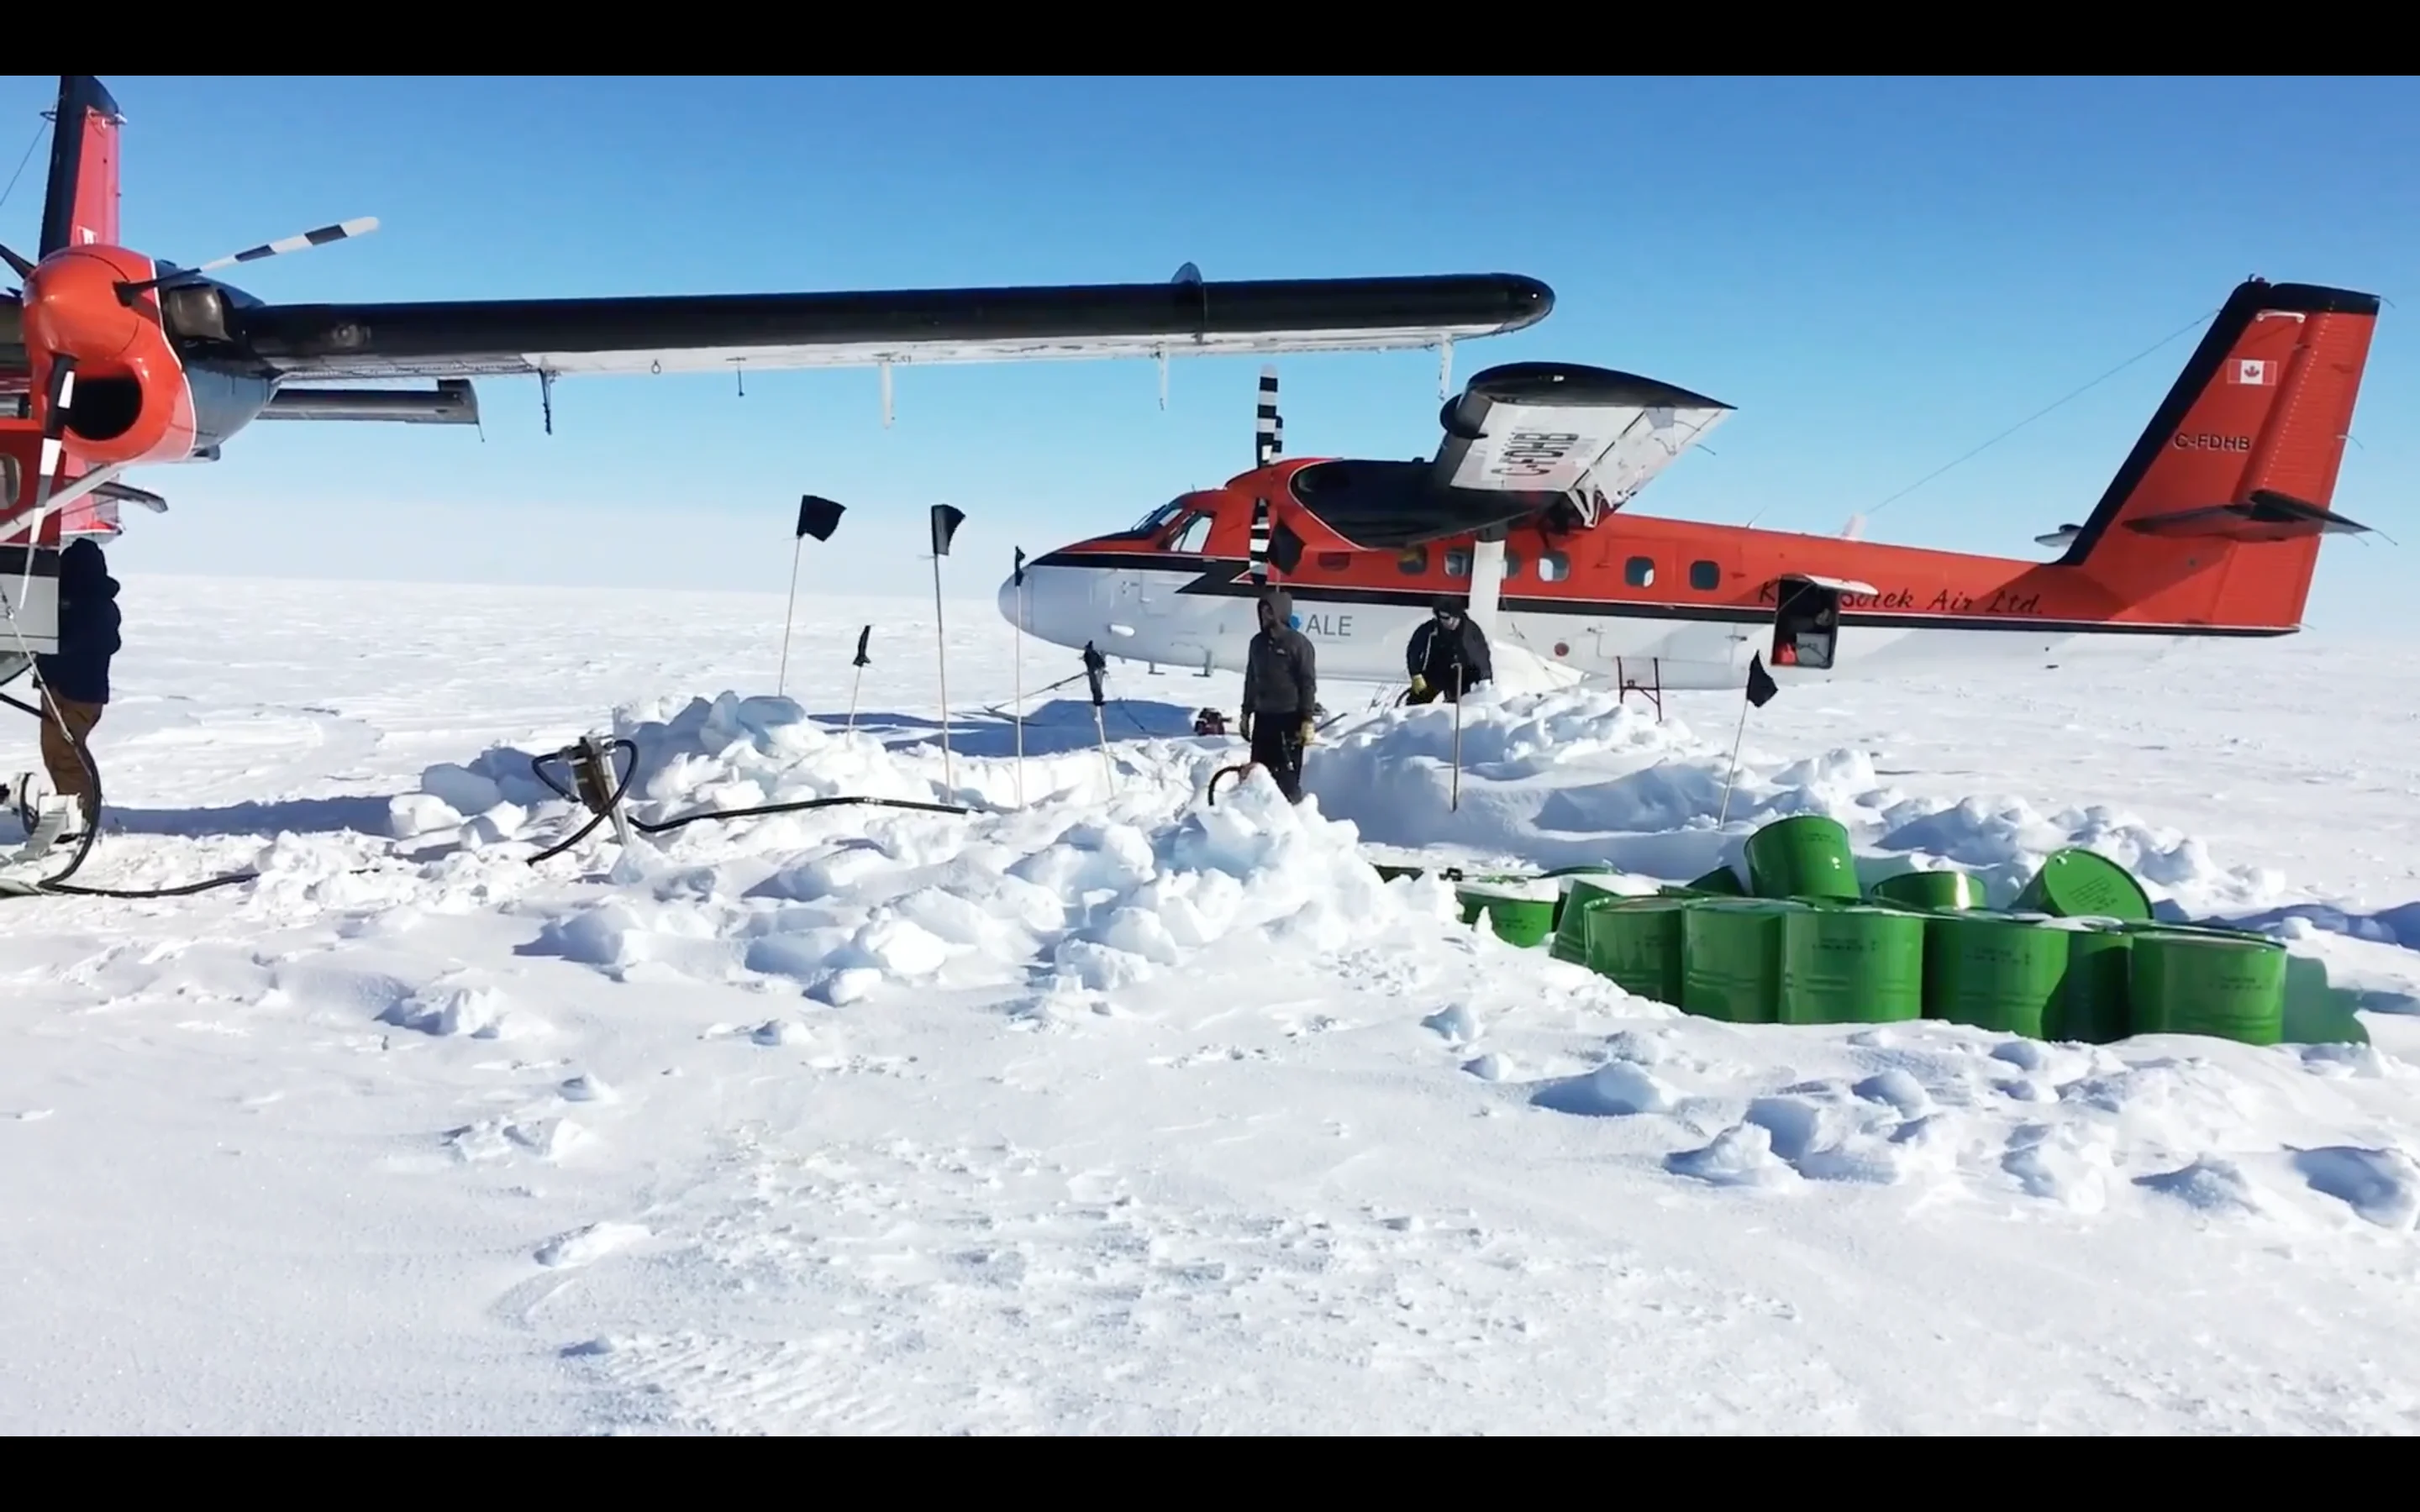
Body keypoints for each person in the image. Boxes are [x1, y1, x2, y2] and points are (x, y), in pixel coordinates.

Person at [32, 537, 120, 830]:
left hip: (78, 692)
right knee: (57, 751)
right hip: (62, 687)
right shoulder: (80, 603)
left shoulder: (94, 607)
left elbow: (87, 641)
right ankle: (71, 809)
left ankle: (78, 815)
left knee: (67, 753)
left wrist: (49, 645)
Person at [1239, 586, 1317, 804]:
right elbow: (1250, 679)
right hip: (1263, 718)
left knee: (1287, 774)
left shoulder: (1298, 644)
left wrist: (1307, 719)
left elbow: (1307, 682)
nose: (1265, 616)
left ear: (1281, 612)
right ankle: (1256, 810)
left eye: (1270, 611)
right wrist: (1246, 713)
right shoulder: (1257, 643)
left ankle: (1290, 812)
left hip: (1289, 718)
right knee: (1258, 772)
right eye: (1262, 611)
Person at [1406, 596, 1491, 704]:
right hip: (1435, 671)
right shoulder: (1429, 629)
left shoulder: (1471, 631)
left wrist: (1485, 677)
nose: (1450, 622)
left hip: (1462, 674)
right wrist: (1416, 674)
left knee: (1458, 707)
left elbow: (1482, 656)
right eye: (1445, 618)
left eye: (1454, 618)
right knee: (1417, 699)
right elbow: (1414, 651)